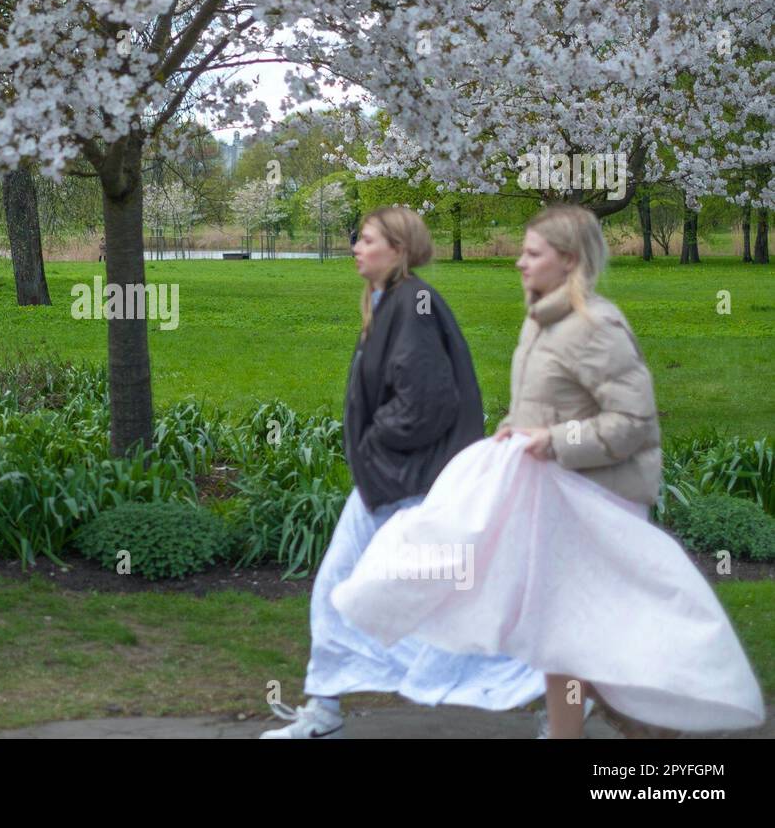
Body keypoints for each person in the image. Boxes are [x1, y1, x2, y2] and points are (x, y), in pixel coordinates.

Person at [331, 205, 765, 737]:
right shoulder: (542, 322)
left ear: (568, 260)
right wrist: (515, 428)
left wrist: (555, 441)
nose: (518, 263)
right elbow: (543, 404)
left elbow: (633, 423)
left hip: (597, 505)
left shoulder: (595, 328)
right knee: (561, 639)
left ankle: (657, 738)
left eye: (532, 253)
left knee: (590, 639)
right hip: (558, 501)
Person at [262, 206, 544, 739]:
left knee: (428, 603)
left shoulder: (412, 304)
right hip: (393, 480)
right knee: (348, 591)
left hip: (407, 482)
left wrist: (374, 446)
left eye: (366, 239)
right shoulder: (390, 301)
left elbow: (427, 402)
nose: (355, 247)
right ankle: (324, 709)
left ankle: (551, 686)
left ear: (398, 248)